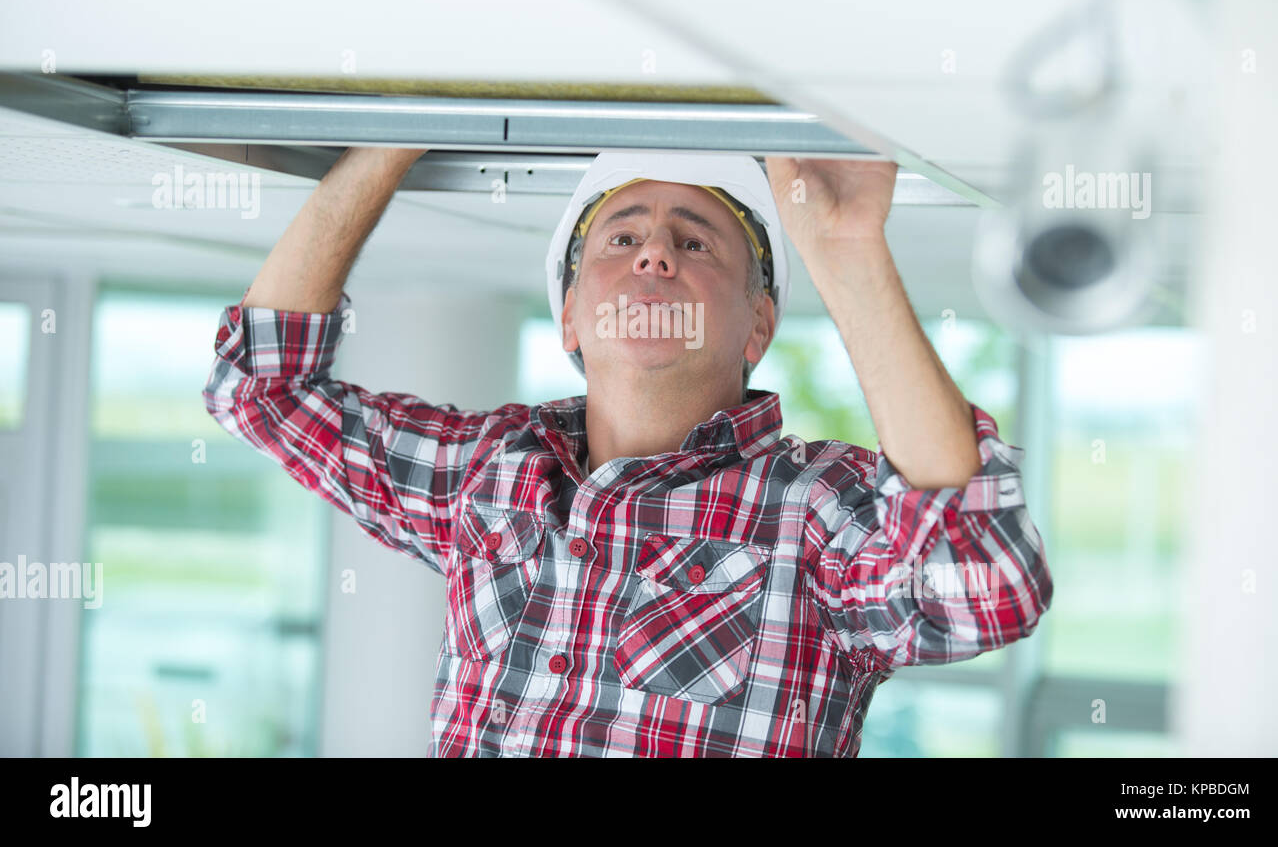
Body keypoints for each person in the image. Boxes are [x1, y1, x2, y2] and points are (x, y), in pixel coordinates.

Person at [202, 145, 1054, 757]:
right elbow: (261, 390)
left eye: (695, 242)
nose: (653, 252)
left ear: (757, 323)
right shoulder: (489, 472)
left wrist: (849, 254)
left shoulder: (815, 508)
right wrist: (390, 144)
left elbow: (983, 591)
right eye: (619, 240)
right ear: (570, 316)